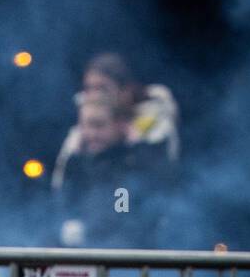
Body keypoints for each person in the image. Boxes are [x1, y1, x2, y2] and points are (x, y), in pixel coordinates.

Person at [56, 96, 172, 248]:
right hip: (81, 258)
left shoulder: (137, 163)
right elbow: (61, 207)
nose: (91, 134)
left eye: (98, 125)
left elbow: (125, 215)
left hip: (128, 259)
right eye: (84, 125)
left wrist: (137, 148)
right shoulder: (75, 163)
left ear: (121, 125)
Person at [52, 52, 179, 190]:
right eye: (89, 88)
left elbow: (162, 174)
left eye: (102, 88)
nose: (94, 95)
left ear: (126, 90)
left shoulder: (155, 116)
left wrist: (135, 142)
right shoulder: (83, 126)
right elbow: (62, 182)